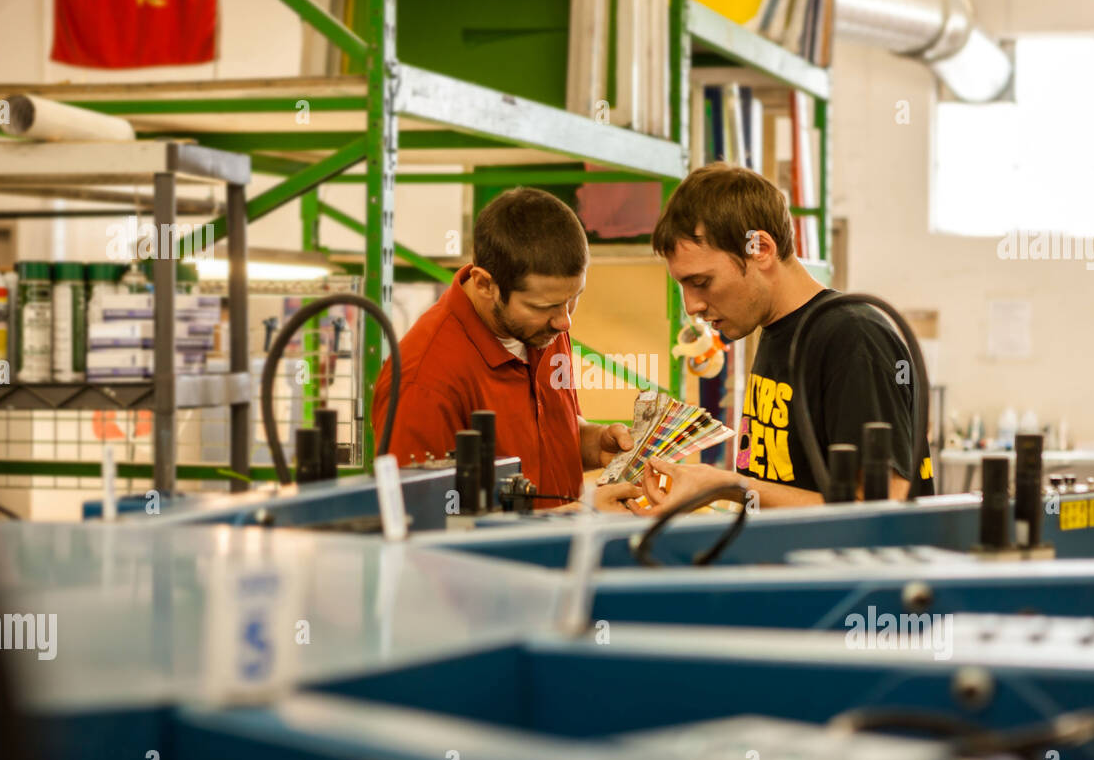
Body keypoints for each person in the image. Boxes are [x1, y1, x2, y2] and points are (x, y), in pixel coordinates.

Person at [630, 162, 934, 514]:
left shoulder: (852, 338)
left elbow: (880, 509)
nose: (692, 305)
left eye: (701, 282)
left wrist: (725, 486)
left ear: (760, 248)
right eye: (682, 285)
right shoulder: (777, 333)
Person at [370, 187, 642, 512]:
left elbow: (543, 439)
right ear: (485, 284)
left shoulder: (543, 329)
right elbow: (420, 527)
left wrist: (594, 442)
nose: (564, 322)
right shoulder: (423, 383)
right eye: (546, 305)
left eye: (574, 298)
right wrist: (575, 518)